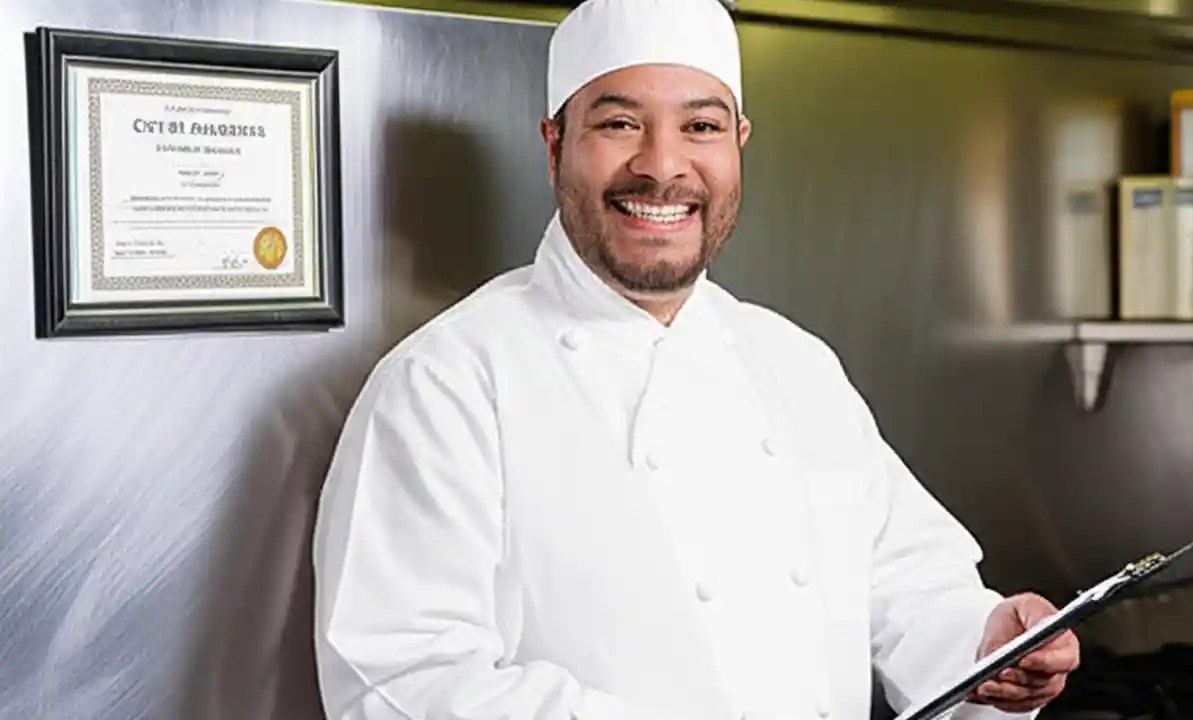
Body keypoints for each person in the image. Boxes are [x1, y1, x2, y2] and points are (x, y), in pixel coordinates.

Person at [312, 0, 1080, 718]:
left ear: (738, 144)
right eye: (619, 123)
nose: (662, 165)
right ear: (556, 146)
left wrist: (990, 643)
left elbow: (907, 585)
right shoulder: (450, 382)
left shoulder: (795, 364)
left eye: (701, 127)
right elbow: (399, 676)